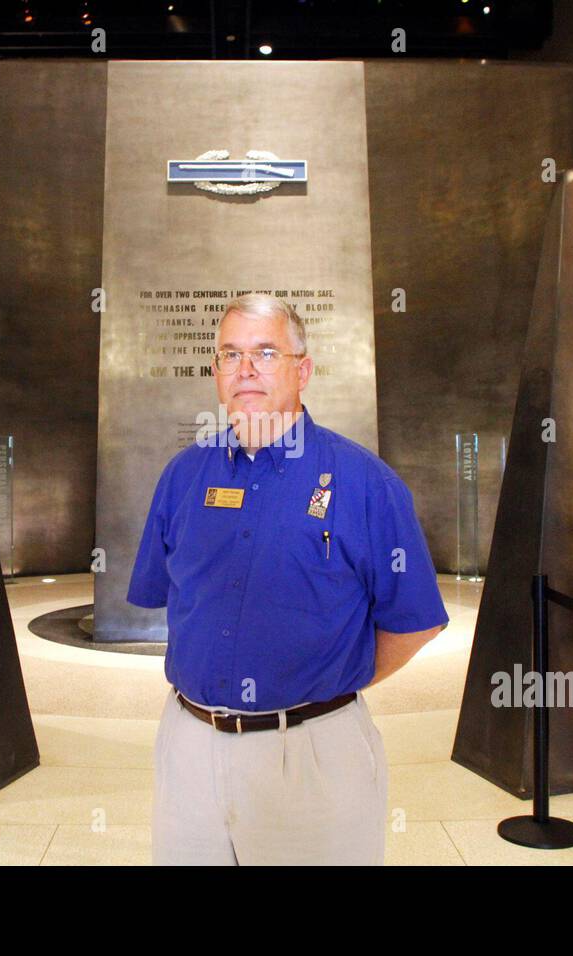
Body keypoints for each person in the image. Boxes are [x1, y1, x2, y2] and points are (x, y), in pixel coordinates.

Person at [127, 292, 449, 865]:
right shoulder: (182, 477)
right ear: (216, 374)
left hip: (311, 756)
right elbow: (164, 596)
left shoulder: (367, 484)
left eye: (265, 352)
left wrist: (322, 684)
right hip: (188, 752)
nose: (245, 370)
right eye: (230, 355)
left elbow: (413, 622)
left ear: (303, 370)